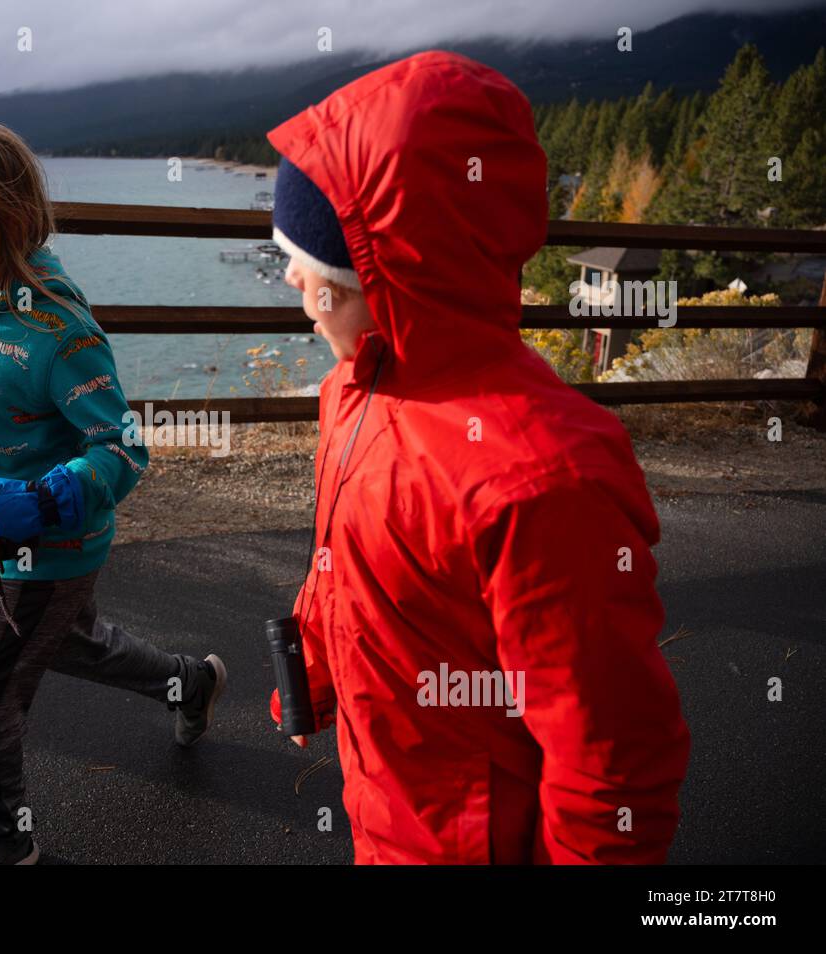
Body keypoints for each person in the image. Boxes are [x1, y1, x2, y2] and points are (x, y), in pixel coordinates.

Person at [266, 51, 690, 864]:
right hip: (390, 808)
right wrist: (315, 669)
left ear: (399, 279)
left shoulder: (542, 480)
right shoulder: (357, 392)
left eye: (322, 275)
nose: (291, 279)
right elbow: (341, 563)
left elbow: (613, 761)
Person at [0, 119, 227, 865]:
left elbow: (123, 450)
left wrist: (45, 503)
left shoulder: (59, 329)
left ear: (12, 214)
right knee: (74, 643)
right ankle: (188, 684)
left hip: (49, 546)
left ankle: (3, 842)